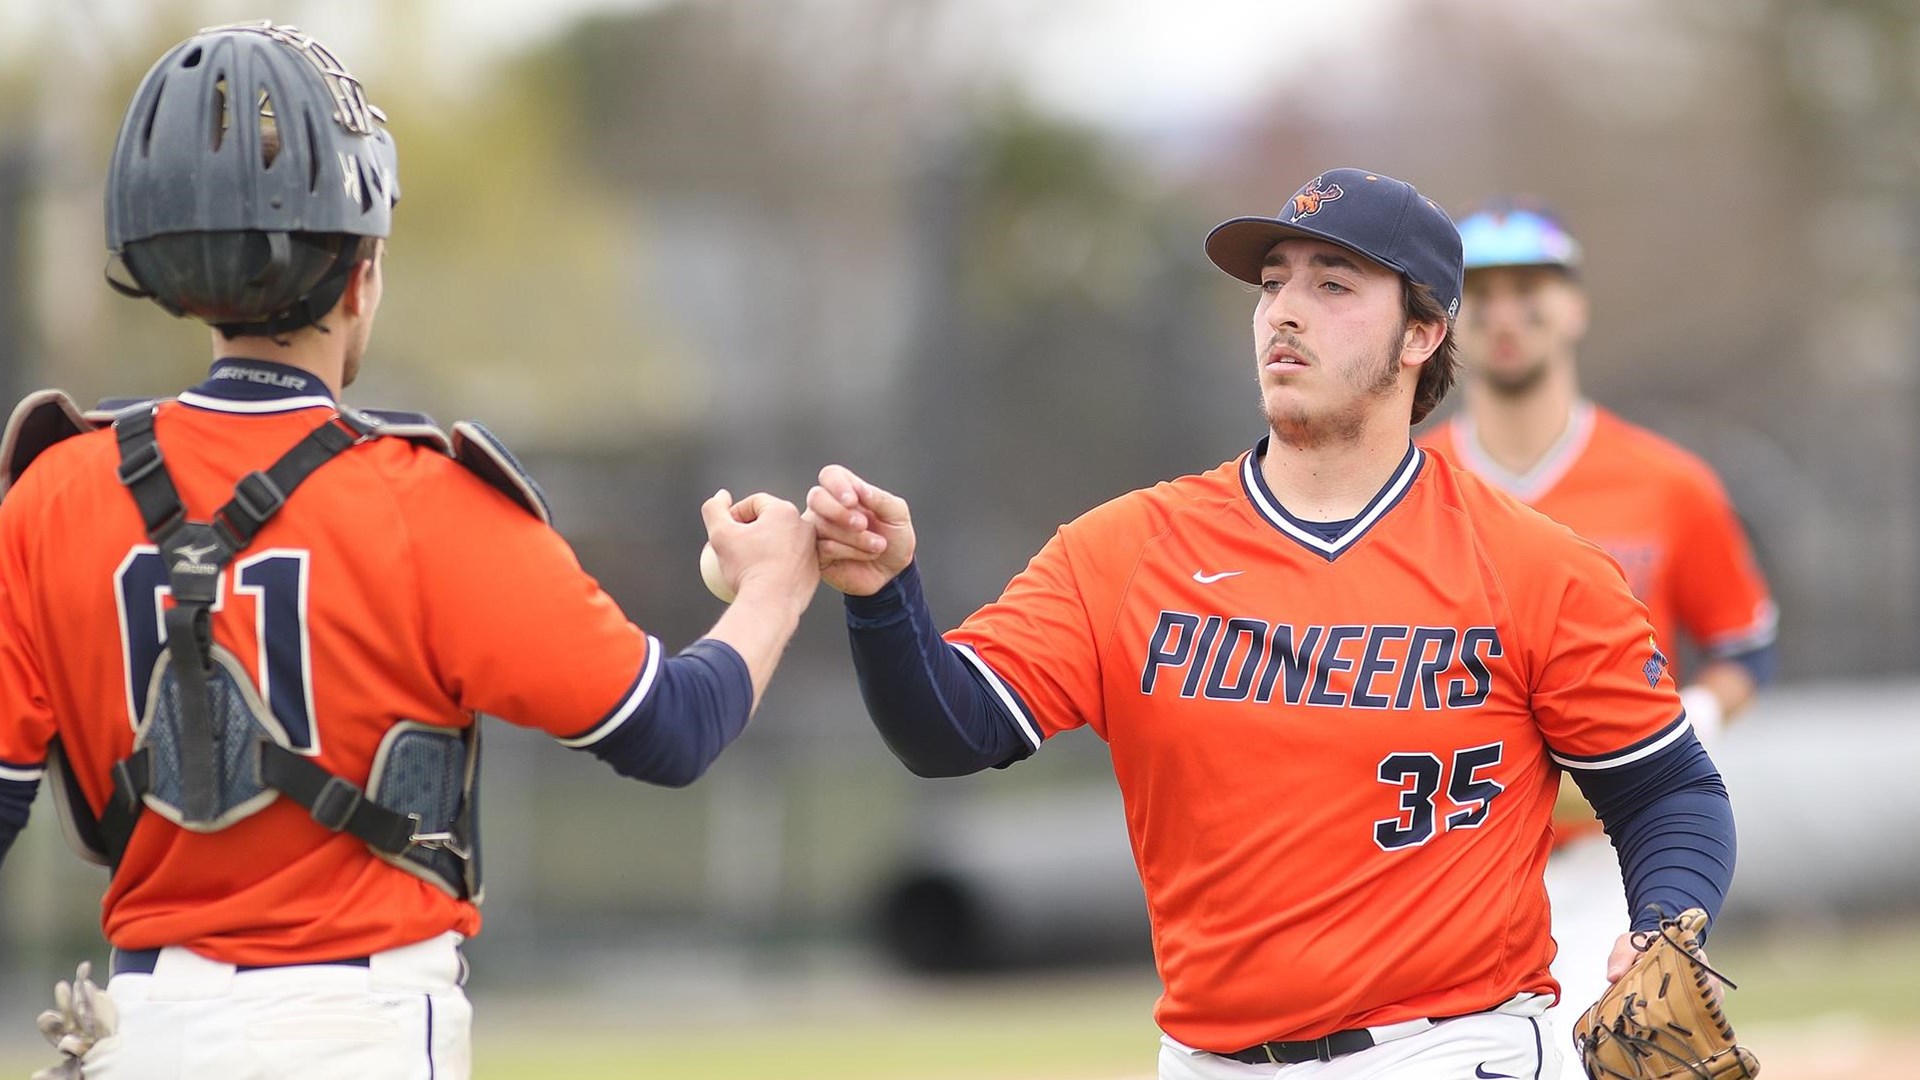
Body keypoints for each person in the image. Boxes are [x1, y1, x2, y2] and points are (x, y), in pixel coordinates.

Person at [0, 22, 818, 1079]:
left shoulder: (50, 494)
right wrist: (774, 587)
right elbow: (670, 728)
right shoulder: (426, 500)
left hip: (143, 1031)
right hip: (358, 1031)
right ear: (360, 275)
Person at [805, 167, 1740, 1079]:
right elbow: (949, 731)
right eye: (1271, 284)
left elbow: (1667, 790)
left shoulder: (1537, 567)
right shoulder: (1127, 551)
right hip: (1203, 1059)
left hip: (1450, 1048)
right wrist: (883, 595)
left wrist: (1665, 926)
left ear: (1421, 333)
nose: (1285, 311)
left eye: (1332, 285)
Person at [1420, 200, 1777, 1075]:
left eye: (1530, 288)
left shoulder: (1668, 482)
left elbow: (1743, 646)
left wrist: (1692, 721)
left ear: (1574, 305)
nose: (1506, 313)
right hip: (1440, 863)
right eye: (1481, 293)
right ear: (1442, 322)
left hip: (1603, 859)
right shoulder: (1405, 485)